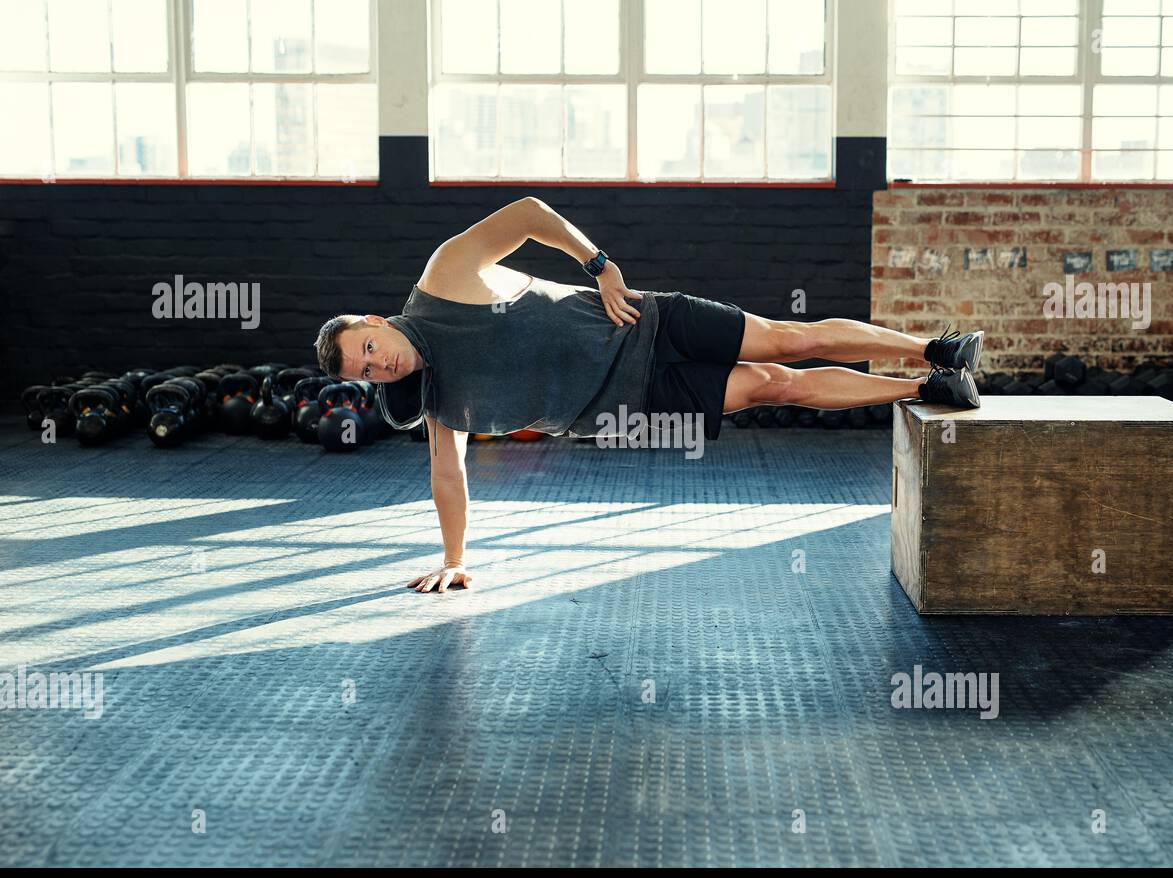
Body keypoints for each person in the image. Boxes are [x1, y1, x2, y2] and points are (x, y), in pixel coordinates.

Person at [313, 197, 983, 593]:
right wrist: (454, 561)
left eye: (370, 349)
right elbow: (446, 474)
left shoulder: (442, 277)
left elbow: (526, 215)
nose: (381, 365)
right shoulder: (436, 401)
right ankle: (929, 386)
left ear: (374, 322)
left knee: (787, 338)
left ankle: (934, 349)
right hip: (635, 399)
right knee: (778, 385)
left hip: (642, 317)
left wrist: (599, 265)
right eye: (366, 374)